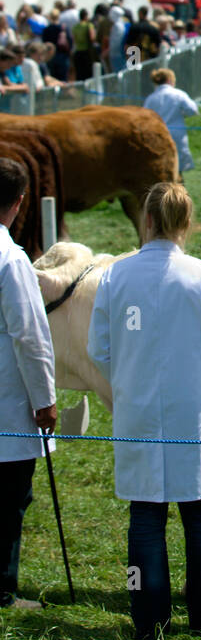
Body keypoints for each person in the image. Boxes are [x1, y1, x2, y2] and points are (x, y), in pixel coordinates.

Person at [87, 182, 201, 640]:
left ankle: (148, 618)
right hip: (192, 410)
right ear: (185, 223)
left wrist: (131, 370)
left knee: (146, 516)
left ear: (148, 219)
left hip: (139, 411)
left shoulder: (116, 275)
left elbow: (99, 346)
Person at [0, 158, 57, 612]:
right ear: (19, 203)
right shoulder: (11, 259)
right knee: (8, 500)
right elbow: (29, 335)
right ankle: (2, 588)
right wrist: (45, 400)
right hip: (6, 404)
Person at [143, 68, 200, 176]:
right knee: (177, 169)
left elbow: (145, 116)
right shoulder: (178, 94)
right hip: (176, 134)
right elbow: (193, 110)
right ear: (170, 80)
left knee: (160, 167)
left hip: (157, 135)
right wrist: (183, 114)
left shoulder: (150, 98)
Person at [71, 8, 96, 81]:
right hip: (87, 53)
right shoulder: (89, 25)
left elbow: (74, 40)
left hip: (78, 52)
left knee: (80, 74)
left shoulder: (75, 27)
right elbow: (92, 38)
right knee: (89, 73)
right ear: (86, 16)